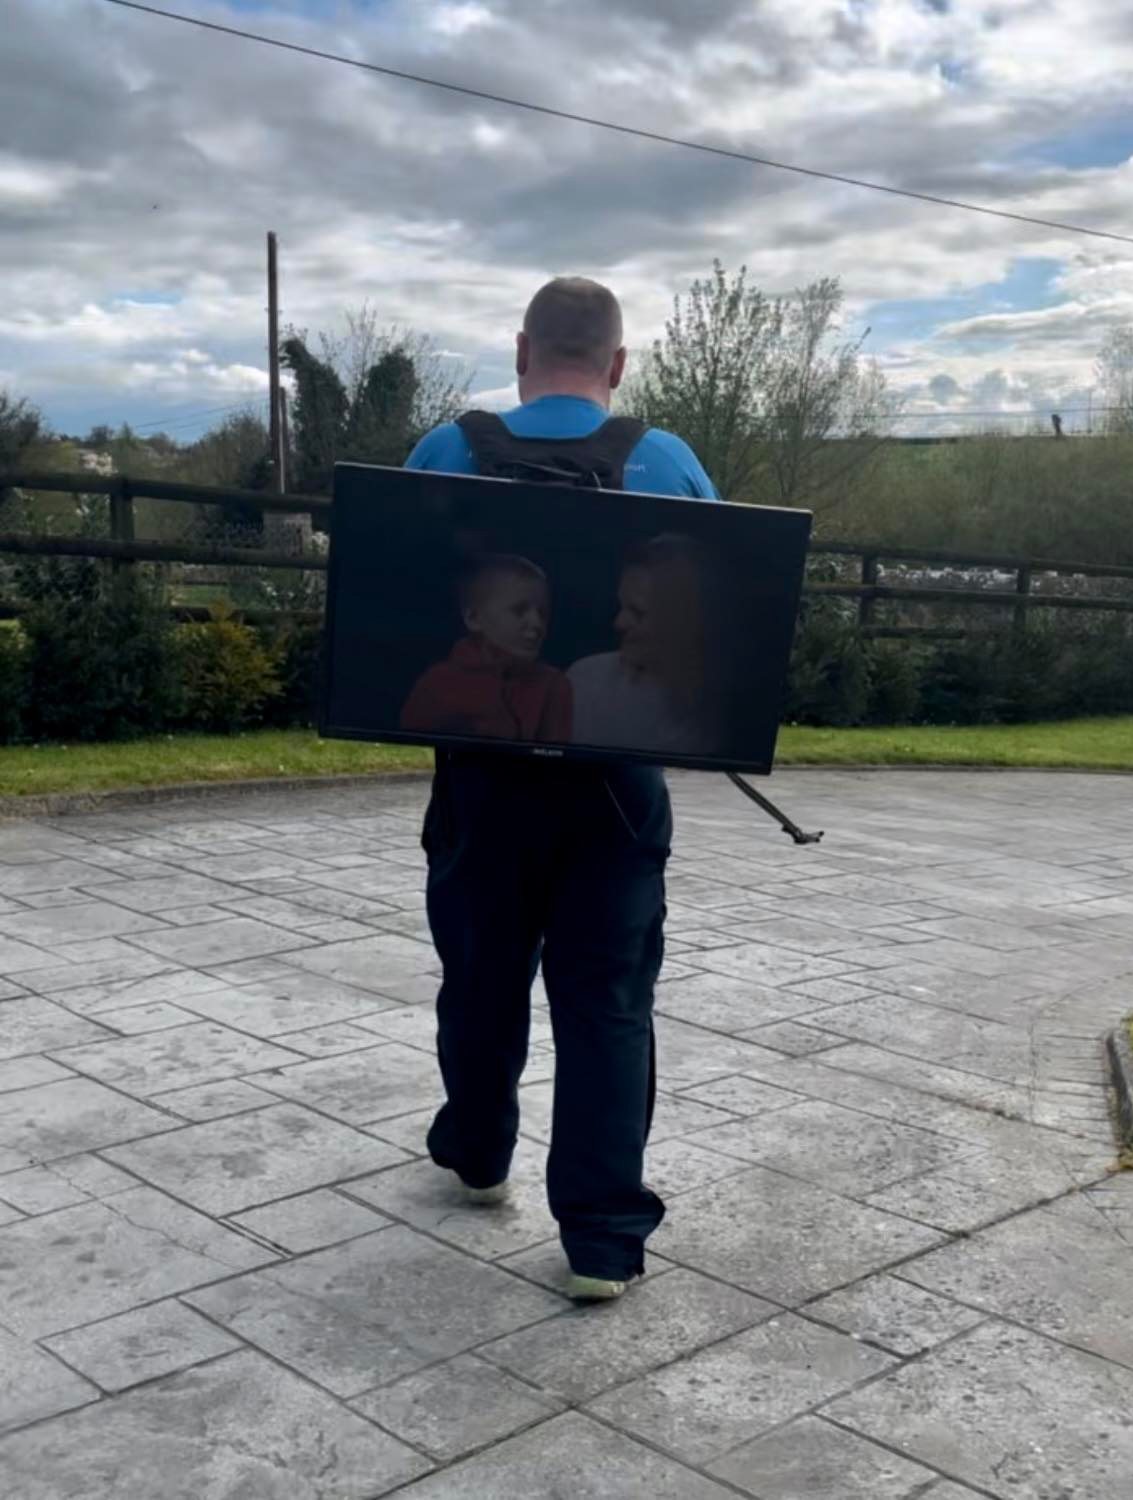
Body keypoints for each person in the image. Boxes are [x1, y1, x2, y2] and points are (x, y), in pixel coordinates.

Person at [406, 276, 719, 1302]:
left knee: (480, 978)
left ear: (519, 351)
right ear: (619, 366)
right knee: (607, 1002)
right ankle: (600, 1241)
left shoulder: (444, 452)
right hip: (615, 789)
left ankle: (481, 1155)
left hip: (482, 784)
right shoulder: (665, 459)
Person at [569, 533, 722, 758]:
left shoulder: (721, 708)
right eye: (621, 606)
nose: (619, 623)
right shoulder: (585, 680)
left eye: (638, 612)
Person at [400, 553, 571, 743]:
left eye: (543, 613)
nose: (536, 623)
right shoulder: (437, 683)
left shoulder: (554, 686)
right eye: (519, 610)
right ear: (474, 618)